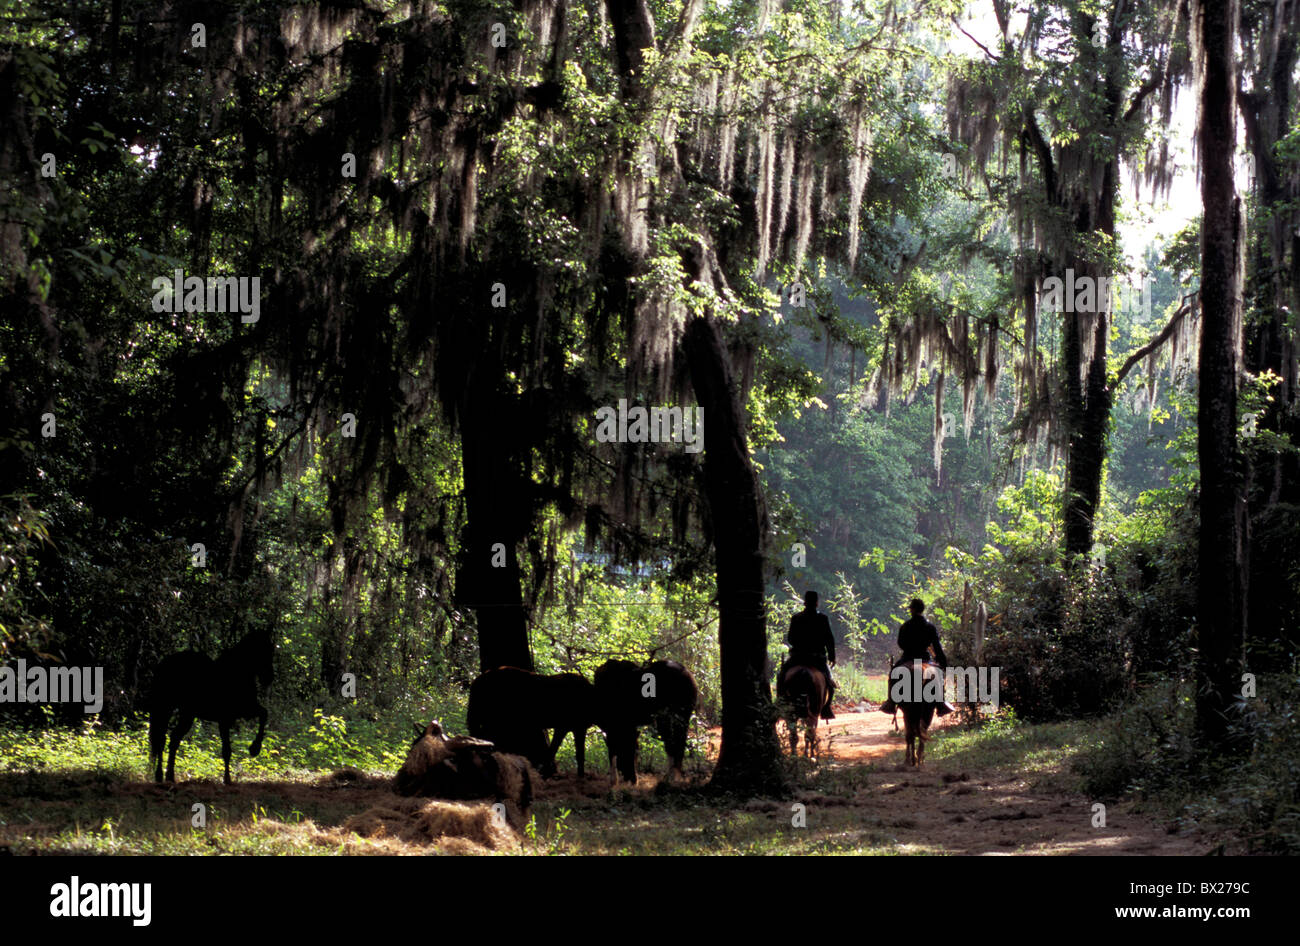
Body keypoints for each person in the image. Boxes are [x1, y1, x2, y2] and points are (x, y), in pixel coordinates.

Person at [880, 597, 954, 715]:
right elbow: (937, 647)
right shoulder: (930, 627)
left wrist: (909, 648)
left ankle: (891, 702)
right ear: (922, 610)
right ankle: (941, 704)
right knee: (938, 675)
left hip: (908, 657)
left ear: (912, 610)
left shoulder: (905, 626)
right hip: (924, 657)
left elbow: (901, 644)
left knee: (893, 673)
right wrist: (943, 662)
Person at [780, 591, 837, 719]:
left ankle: (780, 703)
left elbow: (790, 639)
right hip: (817, 659)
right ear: (817, 603)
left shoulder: (796, 618)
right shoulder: (823, 618)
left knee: (782, 675)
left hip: (797, 658)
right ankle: (827, 707)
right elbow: (829, 639)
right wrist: (832, 656)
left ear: (804, 602)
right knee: (829, 681)